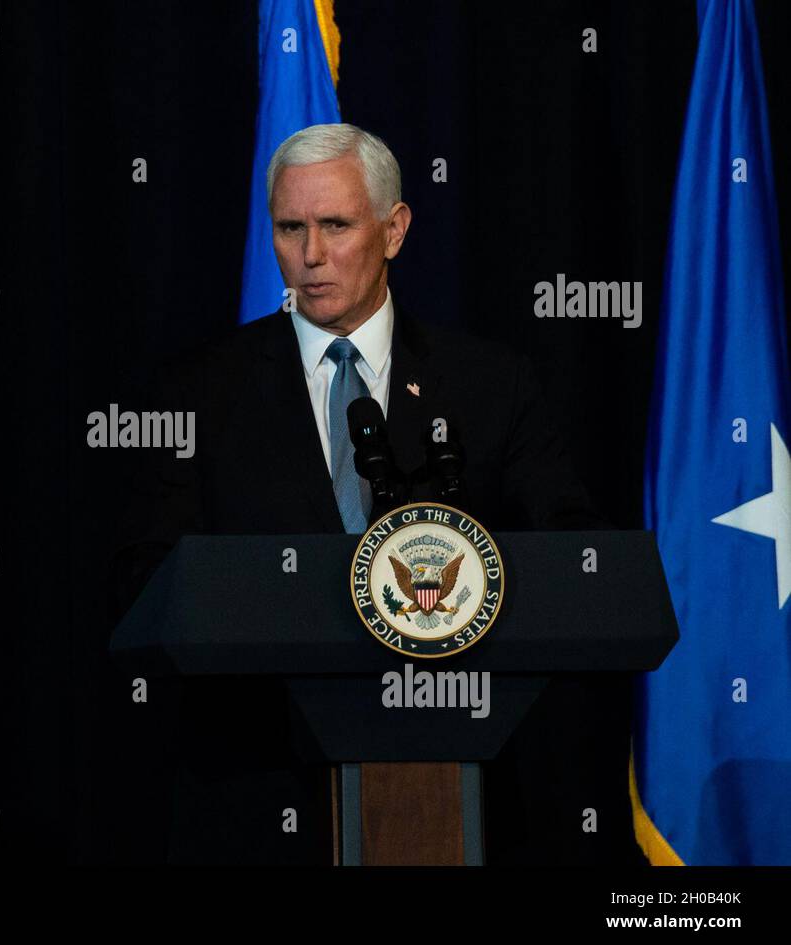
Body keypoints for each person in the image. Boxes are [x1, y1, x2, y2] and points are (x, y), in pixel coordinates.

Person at [110, 123, 639, 865]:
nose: (311, 255)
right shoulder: (198, 391)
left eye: (335, 225)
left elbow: (570, 555)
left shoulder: (492, 385)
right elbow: (148, 580)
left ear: (394, 231)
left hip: (459, 787)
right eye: (290, 228)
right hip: (257, 798)